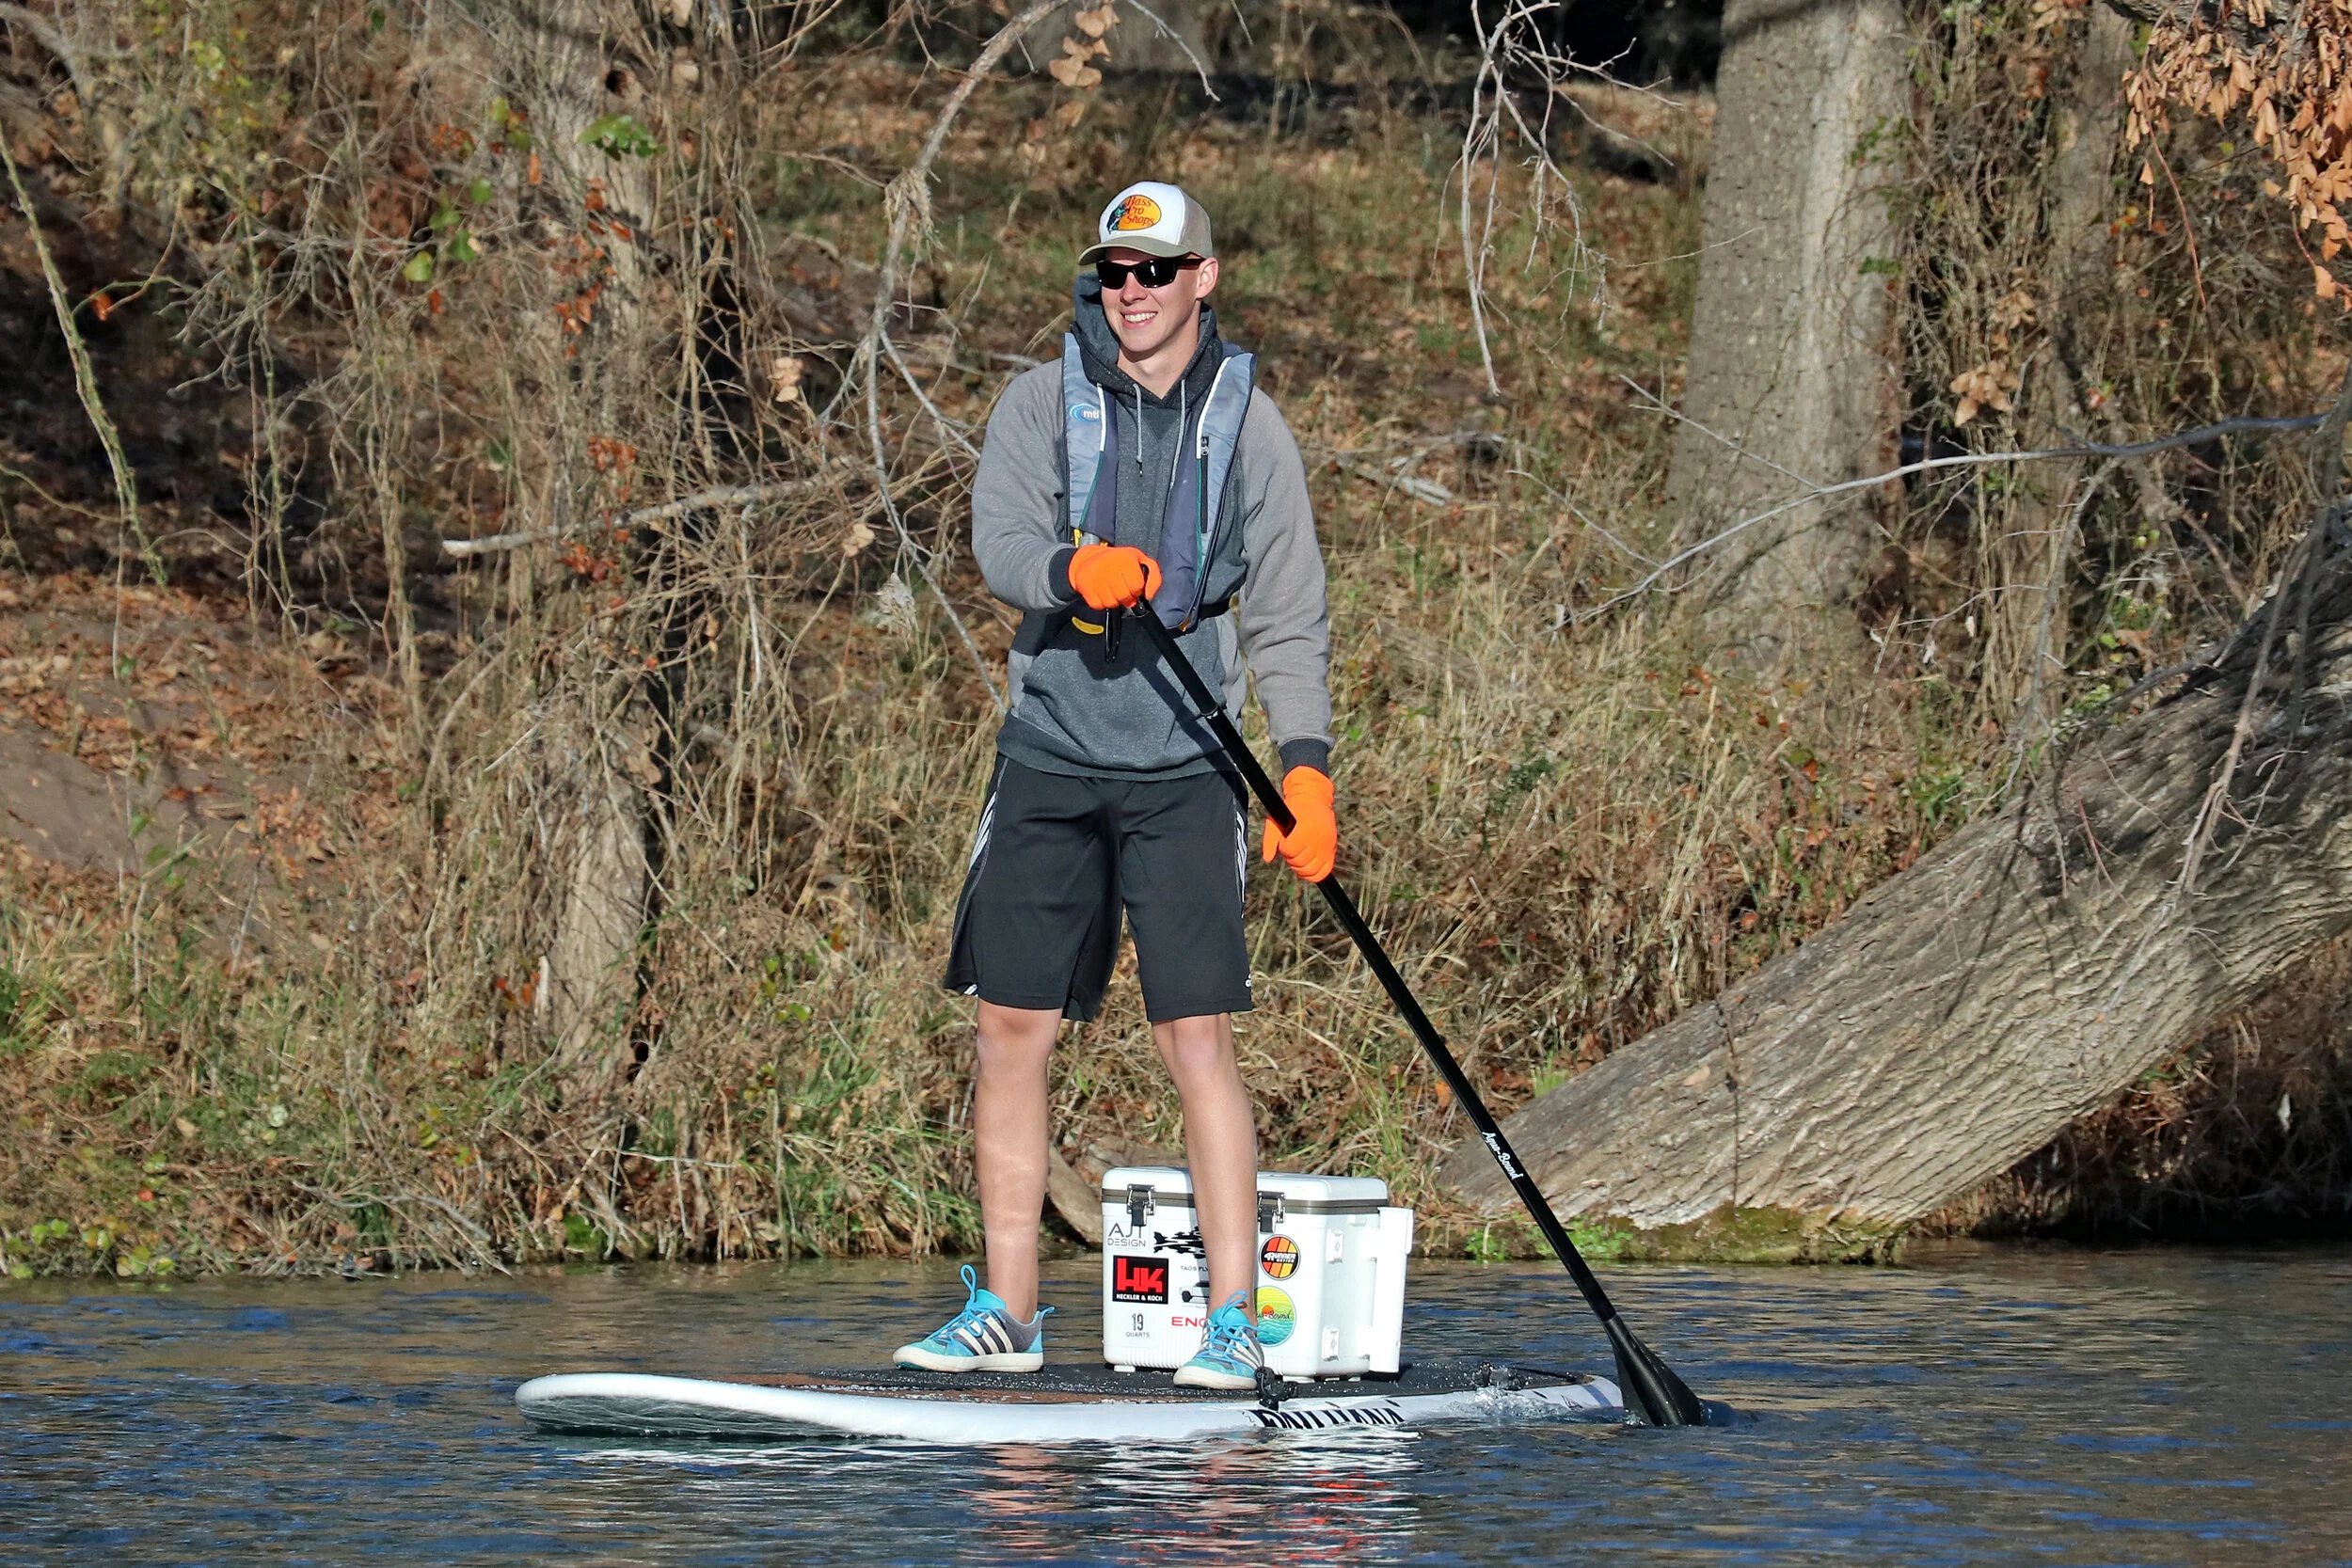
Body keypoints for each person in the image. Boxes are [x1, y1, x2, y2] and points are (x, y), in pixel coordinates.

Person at [892, 182, 1338, 1390]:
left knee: (1195, 1034)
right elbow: (997, 543)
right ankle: (1009, 1310)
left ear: (1204, 276)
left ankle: (1235, 1321)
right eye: (1113, 273)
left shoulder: (1254, 430)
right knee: (1007, 1025)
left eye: (1155, 270)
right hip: (1049, 750)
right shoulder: (1041, 401)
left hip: (1190, 767)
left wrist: (1304, 765)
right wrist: (1071, 567)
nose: (1130, 293)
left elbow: (1292, 611)